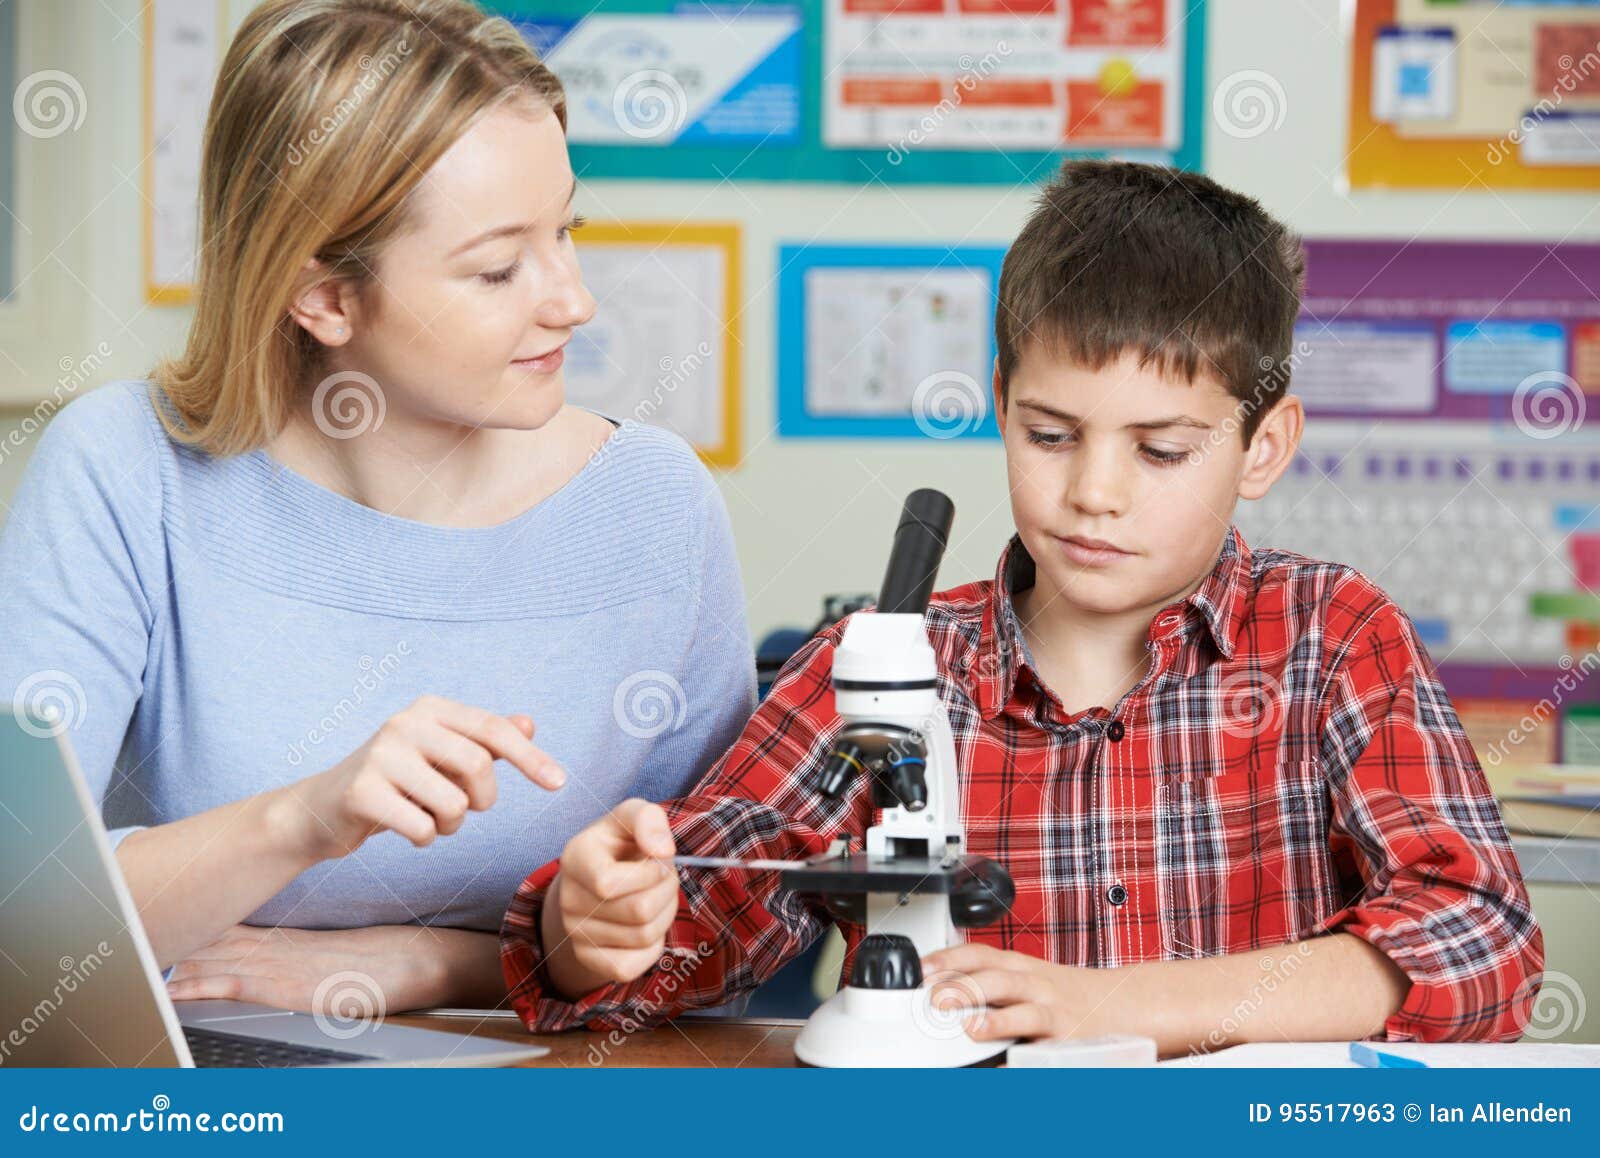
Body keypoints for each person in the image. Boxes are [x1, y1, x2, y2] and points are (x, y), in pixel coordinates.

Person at [502, 160, 1543, 1050]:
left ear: (1260, 446)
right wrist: (595, 924)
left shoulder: (1330, 639)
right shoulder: (885, 664)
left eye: (1160, 450)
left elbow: (1480, 940)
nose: (1094, 491)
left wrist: (1124, 1008)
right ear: (999, 401)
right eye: (1050, 435)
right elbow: (706, 919)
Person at [0, 0, 753, 1014]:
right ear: (326, 300)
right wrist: (304, 819)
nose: (572, 300)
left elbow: (717, 930)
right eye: (496, 267)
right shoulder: (125, 469)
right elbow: (21, 917)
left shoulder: (654, 507)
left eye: (565, 230)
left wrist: (420, 963)